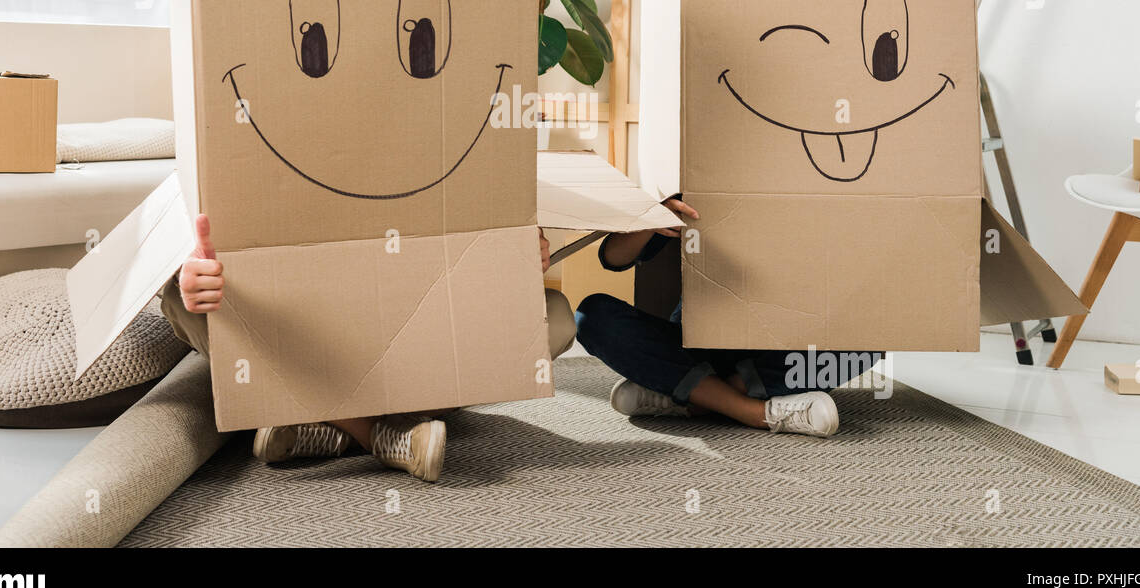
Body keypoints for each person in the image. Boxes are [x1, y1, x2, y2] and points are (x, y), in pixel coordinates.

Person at [160, 216, 568, 483]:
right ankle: (380, 435)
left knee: (556, 316)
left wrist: (518, 255)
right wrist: (195, 276)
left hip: (413, 327)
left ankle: (334, 426)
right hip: (308, 330)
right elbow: (186, 254)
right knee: (178, 300)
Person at [575, 198, 883, 438]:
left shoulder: (829, 193)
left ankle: (692, 397)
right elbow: (613, 258)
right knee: (592, 316)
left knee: (874, 338)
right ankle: (755, 412)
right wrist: (654, 217)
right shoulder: (698, 181)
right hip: (697, 341)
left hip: (778, 350)